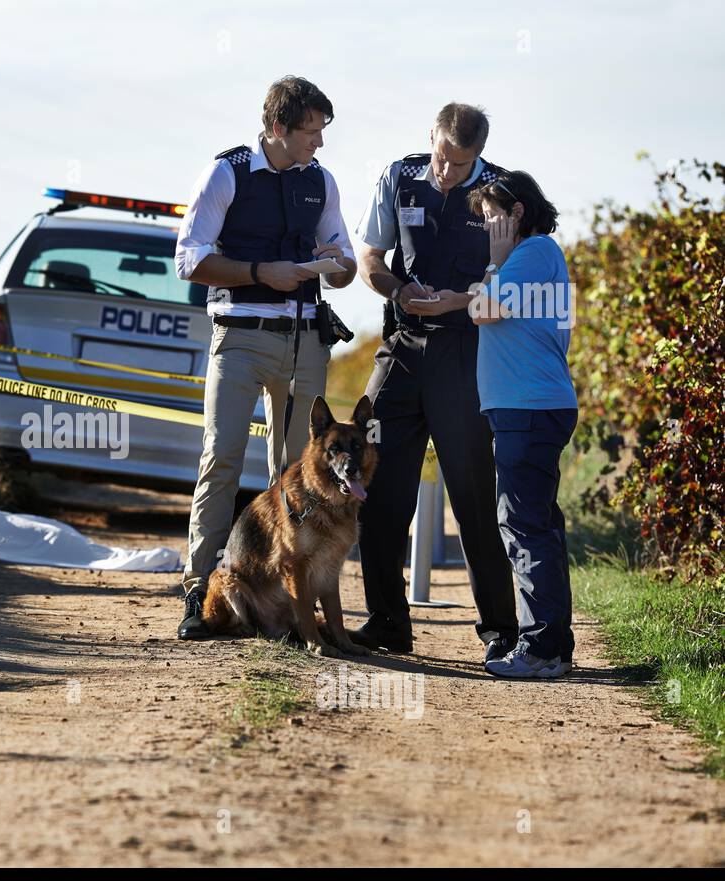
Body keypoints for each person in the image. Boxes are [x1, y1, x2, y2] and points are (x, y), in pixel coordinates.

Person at [174, 75, 356, 640]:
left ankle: (286, 606)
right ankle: (198, 591)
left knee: (296, 475)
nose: (318, 143)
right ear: (277, 127)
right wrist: (260, 274)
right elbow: (188, 259)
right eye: (310, 131)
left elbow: (348, 266)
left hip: (305, 340)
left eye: (322, 131)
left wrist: (333, 262)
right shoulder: (225, 172)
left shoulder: (321, 182)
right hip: (240, 338)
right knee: (222, 461)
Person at [353, 102, 518, 660]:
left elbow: (515, 284)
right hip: (400, 349)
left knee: (473, 498)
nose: (447, 172)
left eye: (460, 164)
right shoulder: (398, 176)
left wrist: (461, 300)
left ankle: (501, 632)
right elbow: (370, 256)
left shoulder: (500, 192)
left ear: (480, 156)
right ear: (432, 138)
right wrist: (398, 291)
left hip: (466, 357)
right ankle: (386, 623)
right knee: (374, 489)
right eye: (442, 158)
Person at [465, 171, 578, 678]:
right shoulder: (538, 258)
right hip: (530, 407)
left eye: (492, 217)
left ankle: (540, 651)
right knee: (539, 526)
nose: (487, 227)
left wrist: (492, 262)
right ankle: (553, 645)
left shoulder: (531, 253)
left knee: (524, 527)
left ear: (516, 213)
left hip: (528, 409)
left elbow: (482, 310)